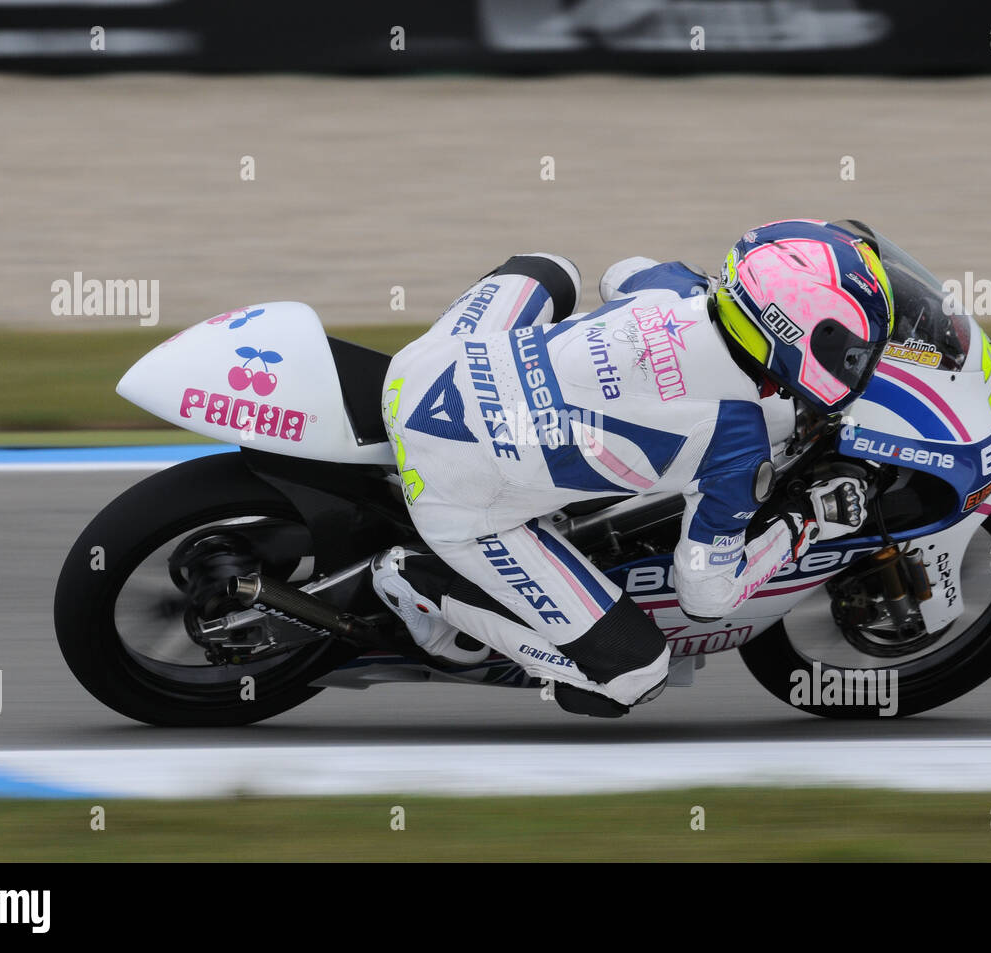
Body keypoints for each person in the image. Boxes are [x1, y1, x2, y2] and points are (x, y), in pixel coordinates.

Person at [370, 219, 894, 717]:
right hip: (455, 496)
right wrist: (805, 520)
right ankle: (413, 581)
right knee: (633, 675)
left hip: (427, 367)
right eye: (849, 349)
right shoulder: (734, 444)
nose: (858, 360)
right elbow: (707, 596)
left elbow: (619, 273)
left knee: (553, 268)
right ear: (793, 333)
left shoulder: (677, 286)